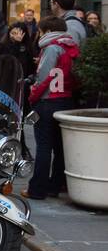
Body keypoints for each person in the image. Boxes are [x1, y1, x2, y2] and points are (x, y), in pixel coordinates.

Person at [25, 16, 80, 200]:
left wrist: (32, 97)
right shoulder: (70, 46)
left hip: (48, 100)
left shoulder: (51, 48)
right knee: (59, 147)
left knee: (44, 146)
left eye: (40, 31)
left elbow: (44, 78)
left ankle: (37, 189)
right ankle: (54, 185)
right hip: (66, 100)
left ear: (47, 31)